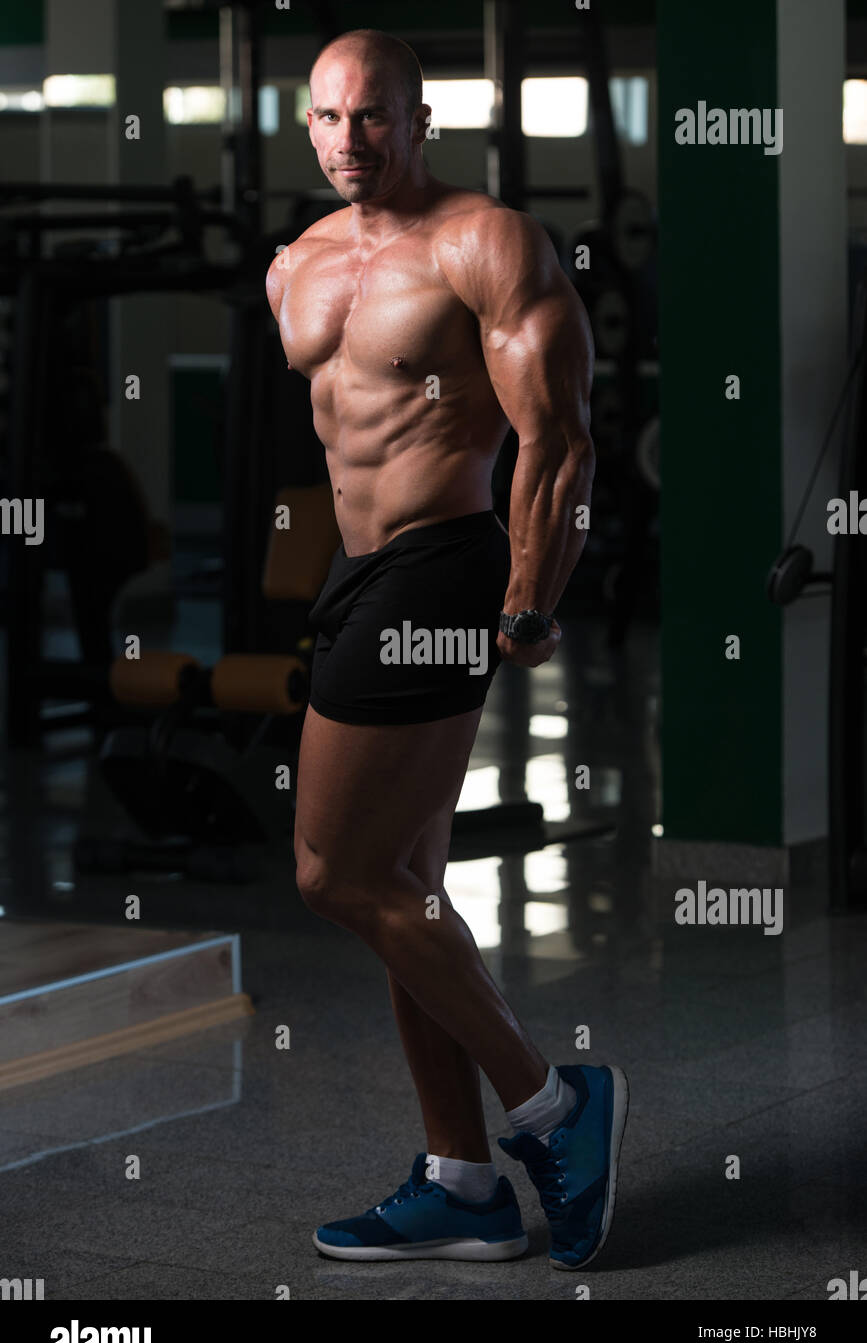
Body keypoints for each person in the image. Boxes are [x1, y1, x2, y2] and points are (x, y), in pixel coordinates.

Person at [266, 27, 628, 1270]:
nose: (348, 140)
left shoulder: (486, 242)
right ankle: (462, 1181)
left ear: (423, 119)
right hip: (358, 575)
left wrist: (530, 594)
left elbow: (561, 441)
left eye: (373, 116)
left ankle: (553, 1108)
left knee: (332, 873)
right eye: (326, 118)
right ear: (302, 125)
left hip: (446, 564)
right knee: (402, 893)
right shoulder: (296, 266)